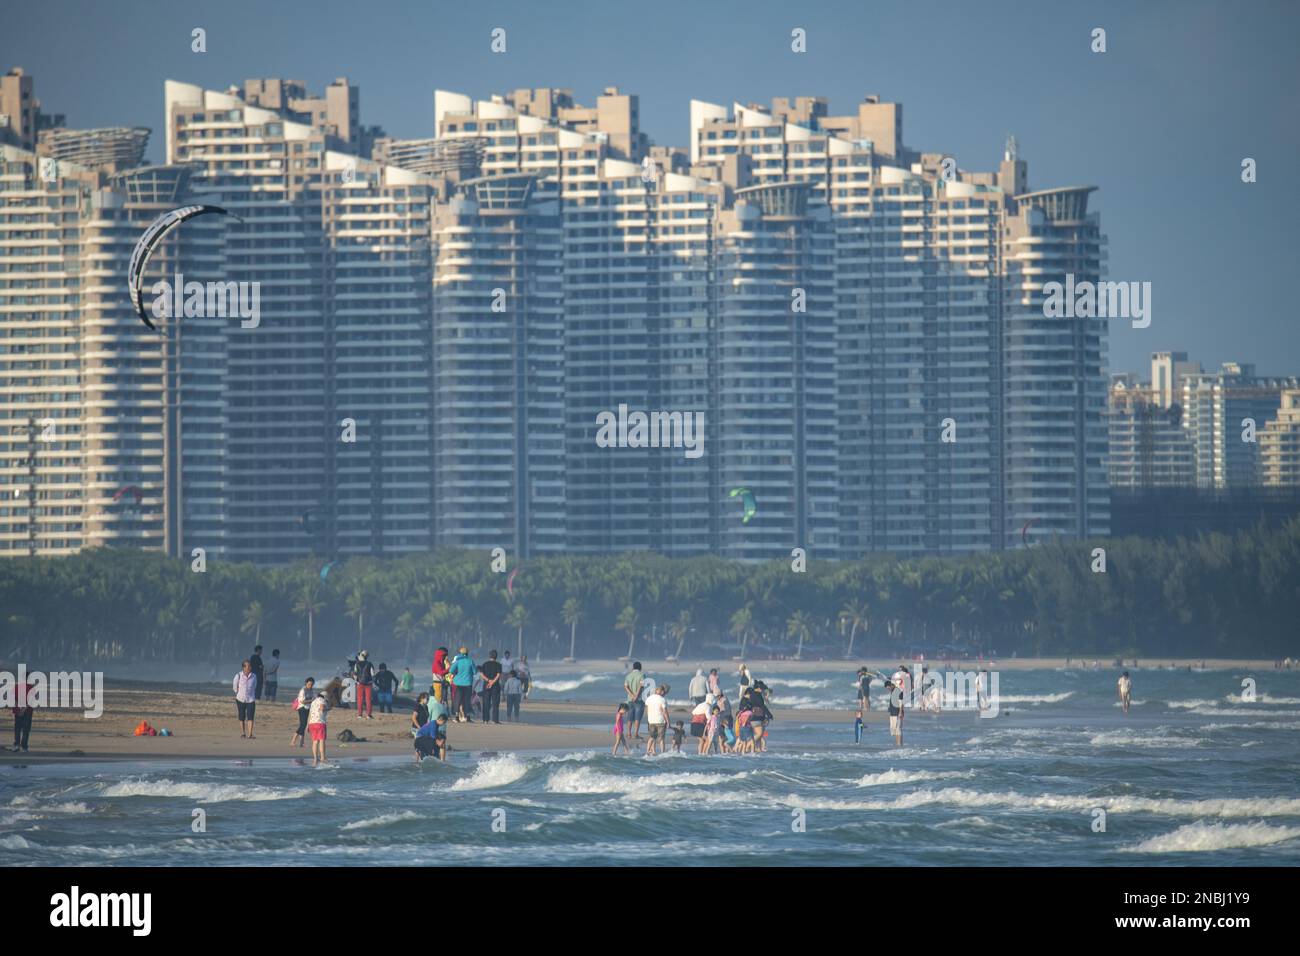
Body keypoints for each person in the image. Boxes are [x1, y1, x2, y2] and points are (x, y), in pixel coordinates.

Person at [448, 646, 476, 722]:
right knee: (467, 700)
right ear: (467, 653)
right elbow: (475, 672)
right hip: (468, 683)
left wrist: (458, 673)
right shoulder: (470, 661)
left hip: (458, 683)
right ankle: (468, 717)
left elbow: (451, 670)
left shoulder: (458, 661)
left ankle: (457, 717)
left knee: (458, 700)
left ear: (460, 653)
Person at [233, 660, 258, 738]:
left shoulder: (254, 676)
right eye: (248, 666)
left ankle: (250, 734)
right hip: (240, 699)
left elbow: (254, 686)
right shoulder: (238, 675)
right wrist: (238, 693)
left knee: (250, 717)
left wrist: (251, 694)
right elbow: (235, 686)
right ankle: (243, 733)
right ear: (243, 667)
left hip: (251, 699)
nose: (249, 667)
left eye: (250, 666)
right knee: (242, 716)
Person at [479, 650, 504, 724]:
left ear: (489, 656)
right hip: (495, 685)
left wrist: (488, 680)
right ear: (496, 656)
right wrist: (492, 682)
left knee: (486, 702)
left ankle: (485, 720)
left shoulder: (485, 664)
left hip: (486, 685)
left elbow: (481, 674)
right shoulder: (498, 664)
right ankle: (495, 720)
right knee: (495, 703)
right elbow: (498, 674)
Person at [644, 685, 669, 756]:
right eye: (663, 691)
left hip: (651, 721)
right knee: (661, 739)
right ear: (660, 691)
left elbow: (648, 709)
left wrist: (649, 719)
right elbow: (664, 712)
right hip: (660, 721)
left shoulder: (649, 698)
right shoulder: (662, 699)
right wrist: (668, 722)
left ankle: (649, 751)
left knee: (652, 737)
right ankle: (662, 753)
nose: (663, 692)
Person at [290, 677, 315, 748]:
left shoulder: (311, 690)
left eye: (312, 684)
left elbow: (313, 698)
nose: (310, 685)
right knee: (303, 725)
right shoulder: (303, 690)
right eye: (309, 684)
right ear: (306, 683)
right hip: (302, 708)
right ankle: (293, 741)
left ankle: (301, 742)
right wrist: (311, 700)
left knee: (303, 725)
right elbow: (302, 701)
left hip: (308, 708)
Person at [308, 690, 331, 766]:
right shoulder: (322, 700)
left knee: (315, 741)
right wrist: (328, 709)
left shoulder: (313, 702)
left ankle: (315, 758)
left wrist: (308, 725)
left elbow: (310, 714)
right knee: (321, 740)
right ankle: (322, 757)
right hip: (320, 722)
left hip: (312, 723)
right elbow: (322, 708)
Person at [624, 661, 646, 740]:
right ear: (640, 668)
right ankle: (636, 733)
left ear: (633, 667)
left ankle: (629, 733)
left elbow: (626, 687)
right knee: (637, 717)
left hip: (630, 699)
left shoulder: (628, 676)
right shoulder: (642, 675)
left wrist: (632, 695)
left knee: (630, 717)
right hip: (639, 699)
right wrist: (636, 695)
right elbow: (641, 685)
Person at [9, 678, 33, 753]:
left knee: (17, 728)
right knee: (26, 729)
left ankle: (16, 745)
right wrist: (23, 709)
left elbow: (13, 699)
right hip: (27, 710)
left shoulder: (17, 686)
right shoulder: (31, 688)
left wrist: (20, 709)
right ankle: (24, 747)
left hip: (18, 710)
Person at [353, 651, 375, 719]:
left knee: (360, 699)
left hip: (360, 683)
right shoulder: (369, 664)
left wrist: (357, 681)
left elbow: (355, 674)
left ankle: (360, 714)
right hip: (368, 683)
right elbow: (373, 674)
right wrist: (372, 681)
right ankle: (368, 715)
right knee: (368, 699)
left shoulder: (357, 664)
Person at [886, 680, 904, 746]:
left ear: (892, 685)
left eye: (888, 688)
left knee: (898, 729)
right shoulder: (893, 691)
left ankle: (899, 743)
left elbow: (901, 703)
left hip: (897, 713)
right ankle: (898, 743)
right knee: (894, 729)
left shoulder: (898, 692)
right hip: (892, 713)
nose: (888, 689)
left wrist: (900, 713)